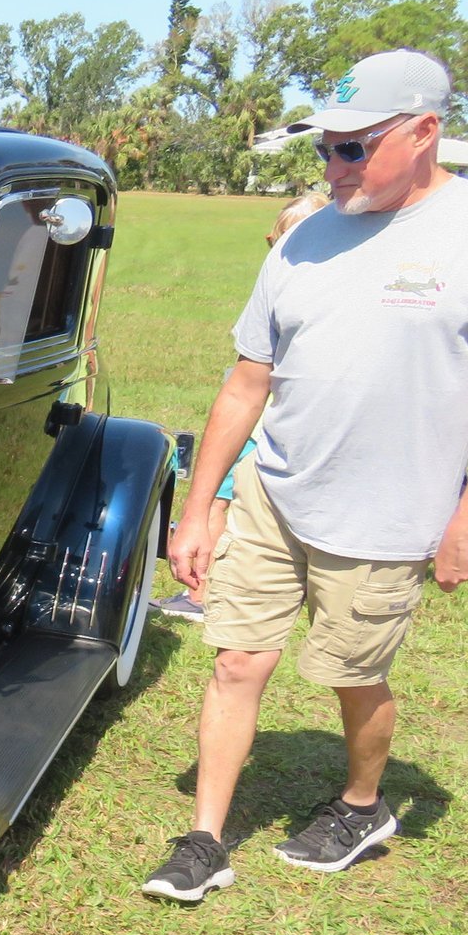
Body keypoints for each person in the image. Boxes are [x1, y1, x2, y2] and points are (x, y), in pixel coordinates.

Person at [142, 50, 468, 903]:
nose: (333, 167)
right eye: (326, 149)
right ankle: (204, 840)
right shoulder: (307, 236)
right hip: (275, 494)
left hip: (390, 513)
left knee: (353, 673)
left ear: (426, 132)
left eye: (355, 148)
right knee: (237, 661)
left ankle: (362, 804)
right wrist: (199, 510)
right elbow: (247, 383)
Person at [151, 193, 329, 623]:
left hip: (255, 432)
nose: (275, 250)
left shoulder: (300, 295)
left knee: (217, 502)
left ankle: (199, 594)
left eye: (281, 241)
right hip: (276, 430)